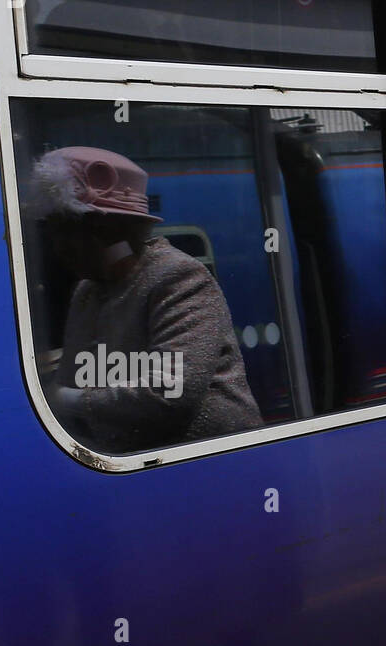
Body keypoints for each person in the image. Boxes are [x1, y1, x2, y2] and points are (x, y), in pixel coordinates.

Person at [28, 146, 262, 454]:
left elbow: (170, 391)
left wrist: (64, 400)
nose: (58, 248)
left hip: (213, 460)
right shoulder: (87, 291)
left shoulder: (178, 279)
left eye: (67, 232)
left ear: (106, 231)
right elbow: (78, 375)